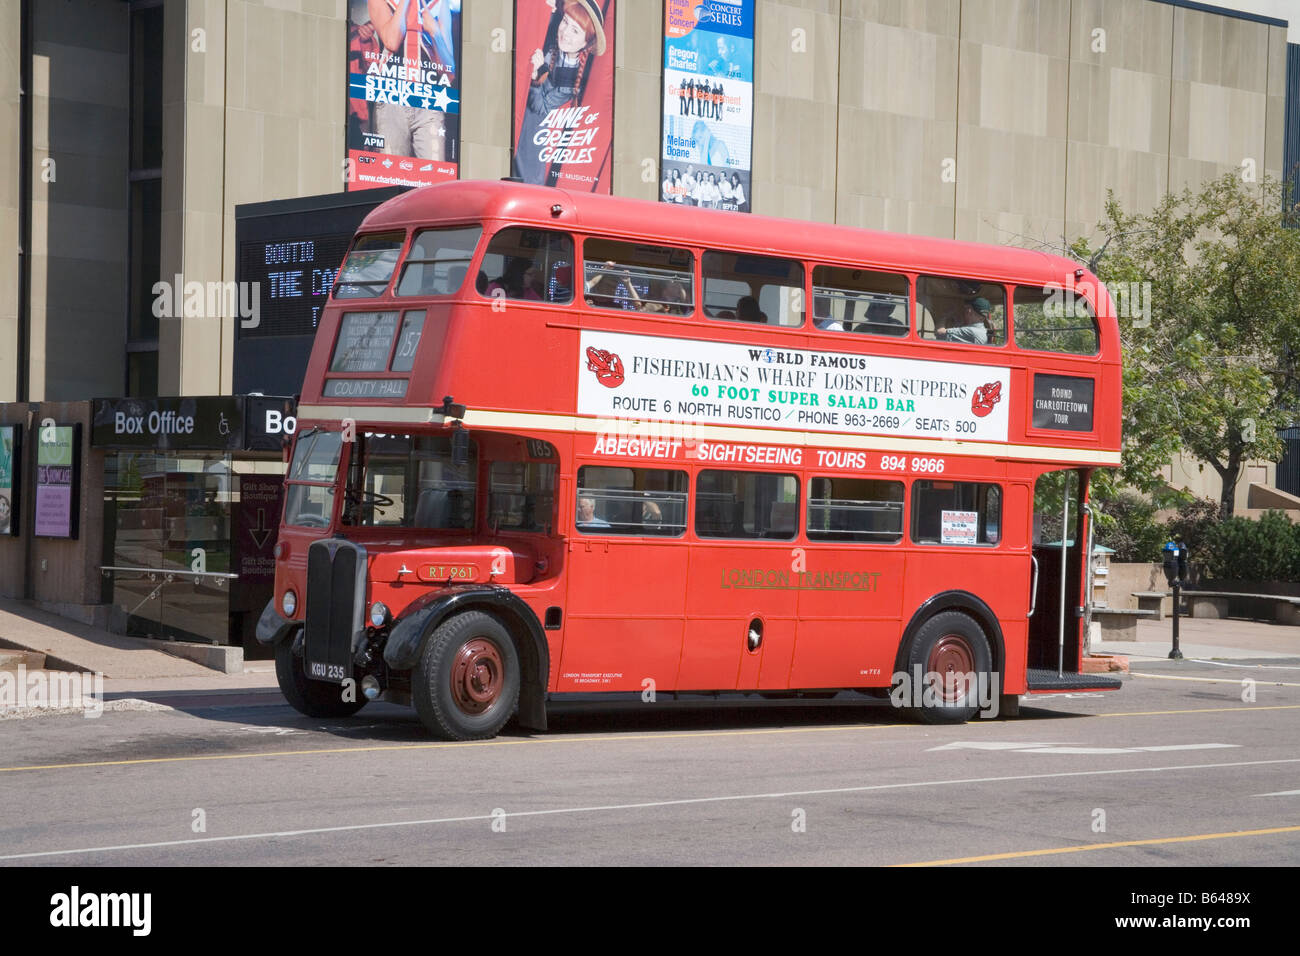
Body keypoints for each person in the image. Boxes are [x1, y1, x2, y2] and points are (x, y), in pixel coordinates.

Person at [512, 0, 607, 185]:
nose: (565, 33)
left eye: (575, 31)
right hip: (519, 114)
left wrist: (537, 77)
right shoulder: (554, 31)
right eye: (565, 22)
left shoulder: (570, 79)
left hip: (531, 130)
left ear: (586, 42)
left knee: (527, 180)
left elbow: (540, 107)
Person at [367, 0, 458, 162]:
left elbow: (449, 72)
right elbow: (392, 41)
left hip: (429, 100)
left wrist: (435, 33)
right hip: (391, 96)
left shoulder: (439, 3)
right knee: (391, 173)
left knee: (435, 175)